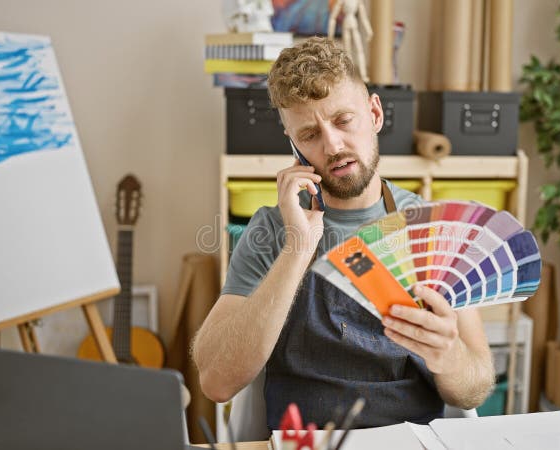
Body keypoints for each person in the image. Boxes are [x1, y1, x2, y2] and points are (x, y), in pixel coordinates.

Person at [192, 37, 495, 430]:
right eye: (309, 135)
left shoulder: (431, 229)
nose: (332, 145)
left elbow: (476, 388)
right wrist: (297, 250)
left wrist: (448, 355)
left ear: (374, 113)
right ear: (294, 146)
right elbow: (216, 383)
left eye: (342, 120)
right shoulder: (269, 231)